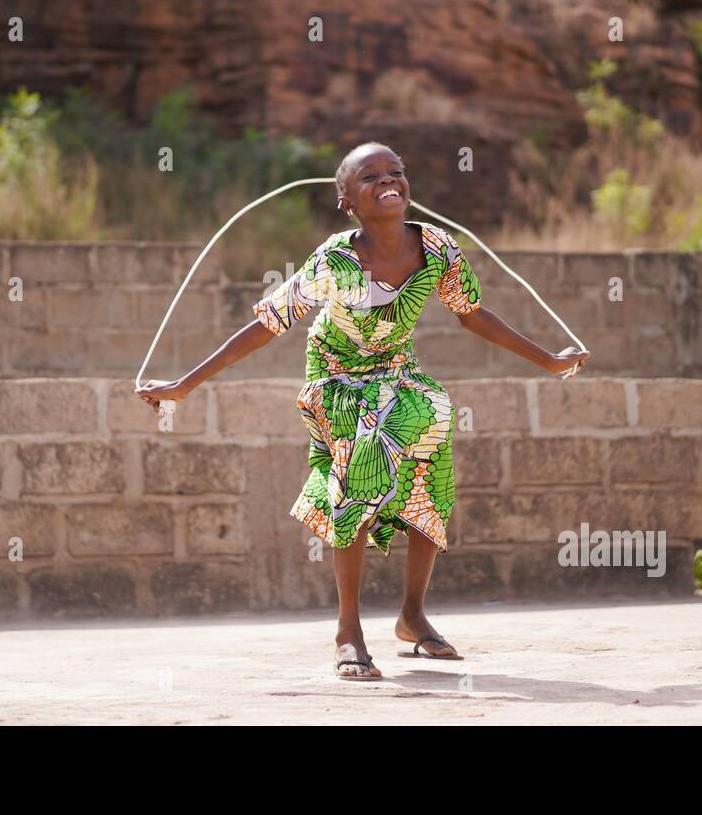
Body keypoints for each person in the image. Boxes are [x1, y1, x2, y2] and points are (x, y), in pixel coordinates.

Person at [136, 142, 590, 680]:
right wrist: (185, 385)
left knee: (433, 448)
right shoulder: (335, 260)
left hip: (397, 372)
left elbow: (473, 315)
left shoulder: (437, 248)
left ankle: (412, 616)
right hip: (335, 378)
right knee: (363, 468)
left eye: (394, 172)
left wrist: (549, 362)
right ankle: (348, 631)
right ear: (346, 200)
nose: (387, 181)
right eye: (369, 176)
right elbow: (268, 324)